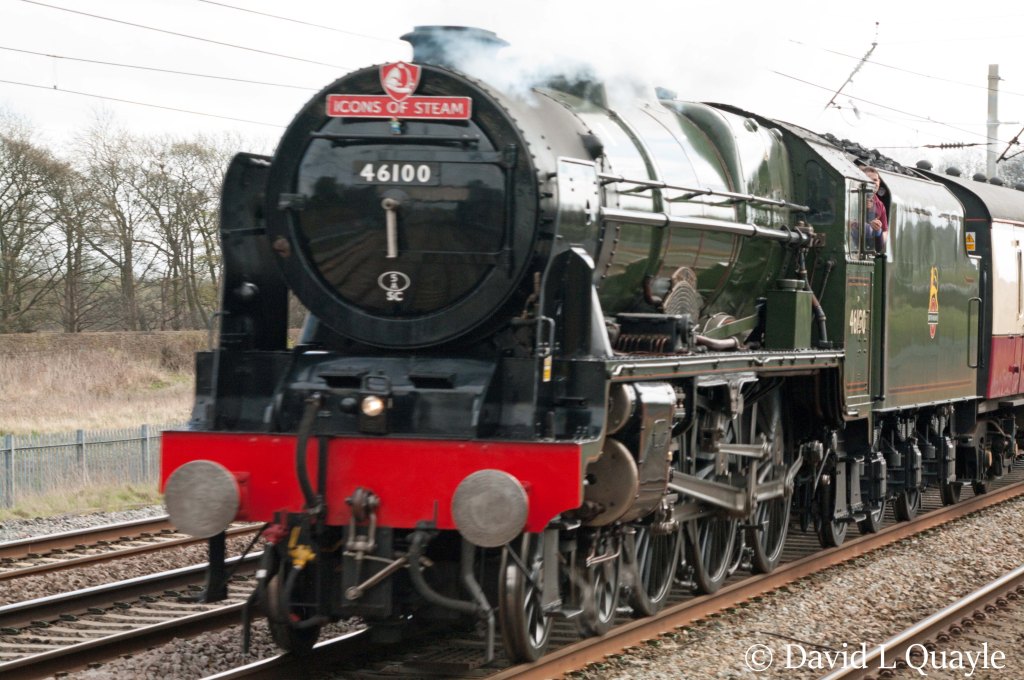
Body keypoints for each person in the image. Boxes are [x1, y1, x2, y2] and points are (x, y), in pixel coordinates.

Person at [862, 166, 888, 253]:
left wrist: (878, 232)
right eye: (868, 179)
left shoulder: (880, 205)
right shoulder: (853, 198)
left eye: (875, 180)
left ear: (879, 182)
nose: (872, 183)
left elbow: (885, 231)